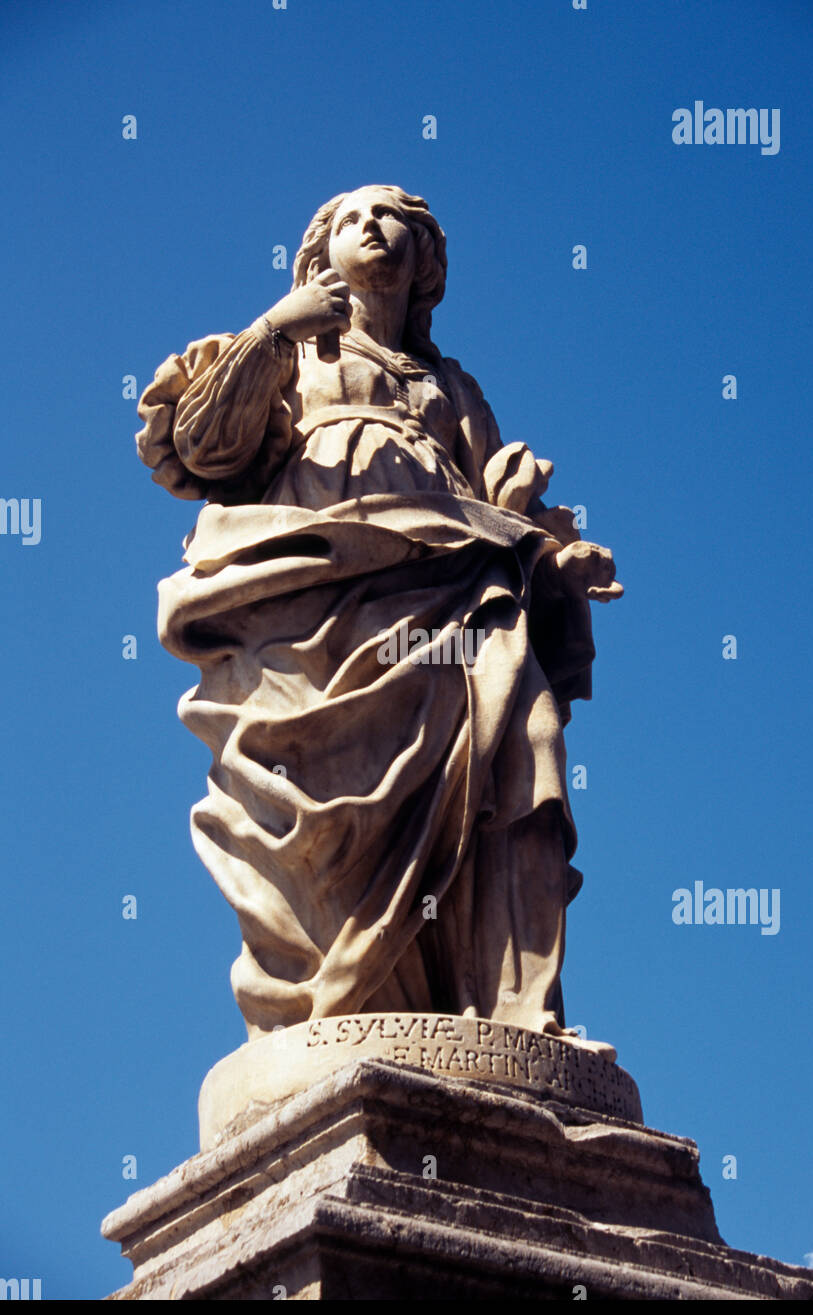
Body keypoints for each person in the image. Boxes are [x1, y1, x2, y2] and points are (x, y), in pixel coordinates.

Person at [137, 185, 622, 1040]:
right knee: (344, 800)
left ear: (426, 258)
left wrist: (538, 533)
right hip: (324, 596)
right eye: (351, 217)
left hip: (462, 590)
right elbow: (209, 448)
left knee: (526, 746)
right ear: (321, 251)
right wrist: (275, 330)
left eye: (389, 216)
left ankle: (514, 1009)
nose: (371, 227)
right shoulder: (294, 350)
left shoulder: (452, 387)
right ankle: (359, 1002)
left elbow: (493, 497)